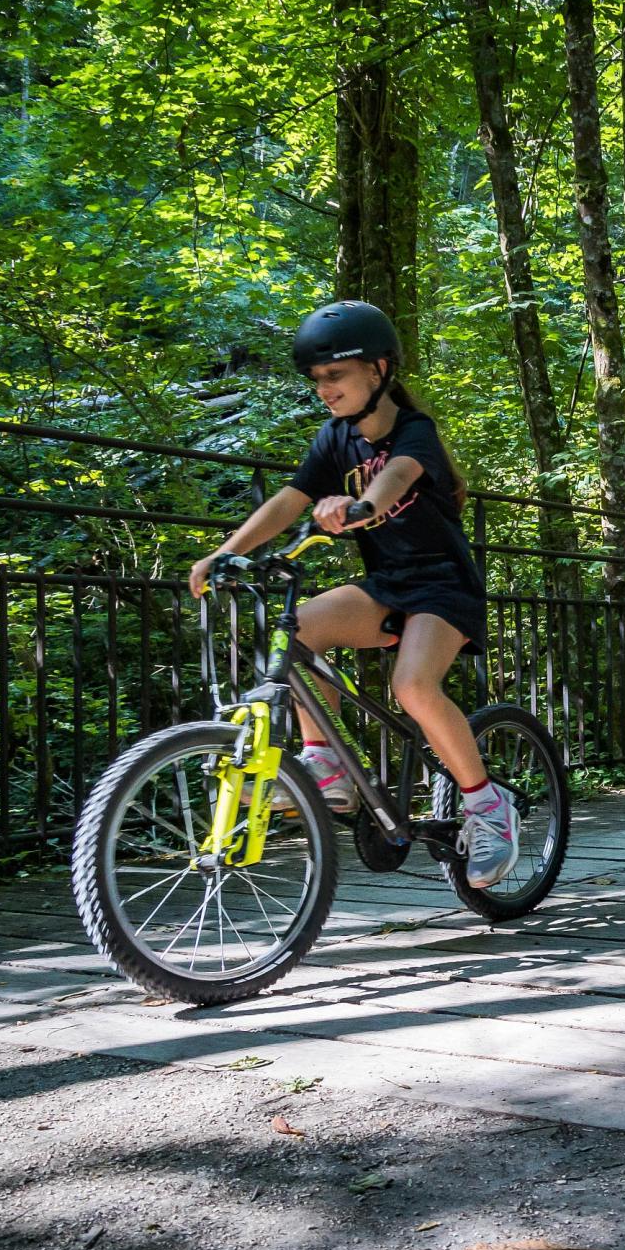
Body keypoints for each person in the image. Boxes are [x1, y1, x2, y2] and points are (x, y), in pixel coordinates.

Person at [186, 300, 521, 888]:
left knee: (413, 685)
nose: (325, 390)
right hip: (386, 585)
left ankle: (488, 805)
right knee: (300, 629)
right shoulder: (334, 437)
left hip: (442, 586)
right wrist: (227, 551)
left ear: (379, 370)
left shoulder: (415, 431)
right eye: (317, 380)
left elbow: (398, 476)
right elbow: (291, 498)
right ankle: (327, 760)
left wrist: (362, 505)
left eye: (335, 375)